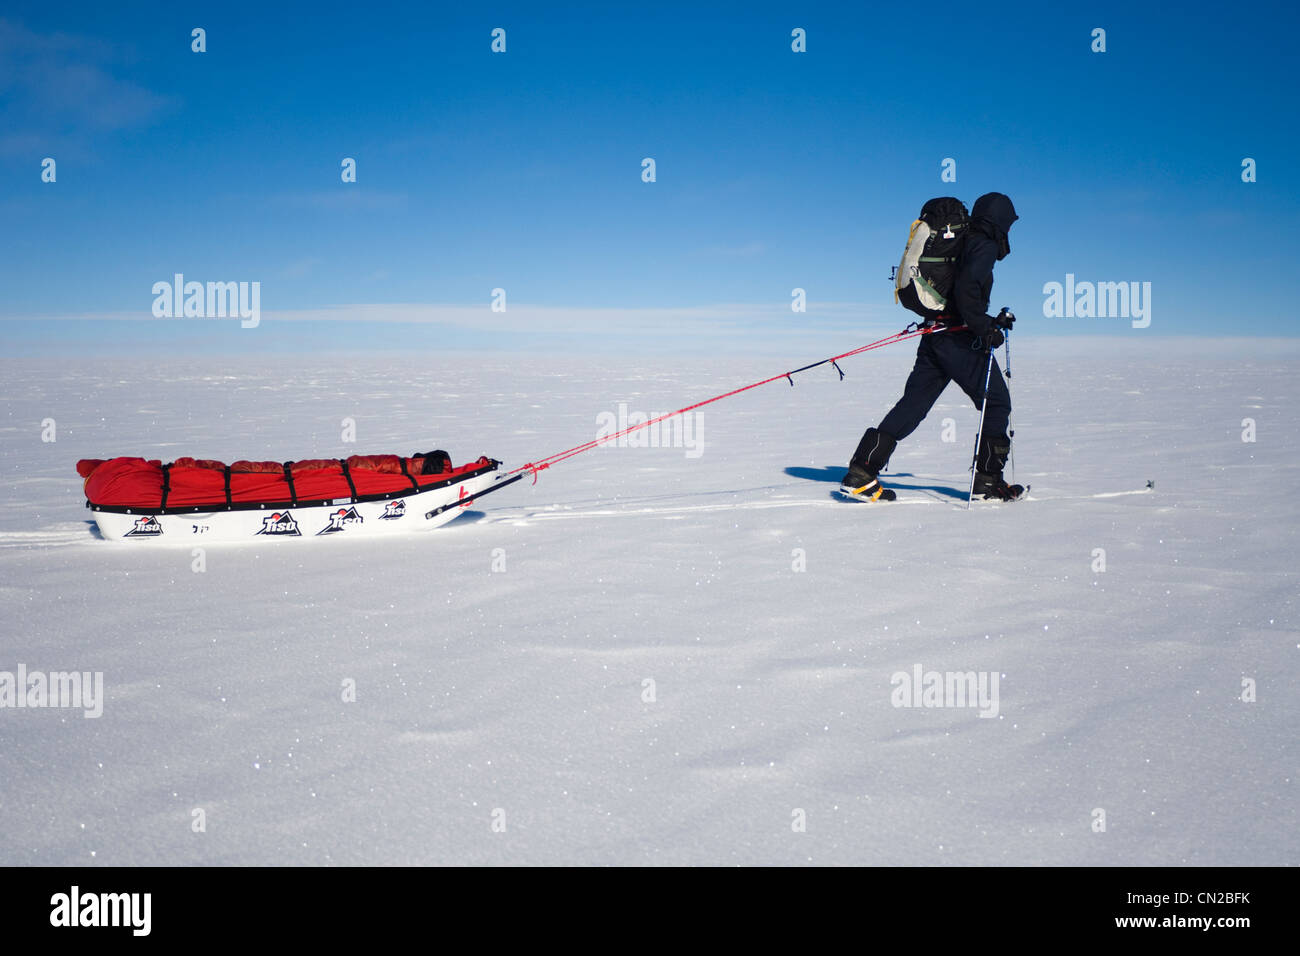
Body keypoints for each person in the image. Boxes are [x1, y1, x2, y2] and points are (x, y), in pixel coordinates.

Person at [841, 192, 1023, 502]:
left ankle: (862, 472)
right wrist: (985, 329)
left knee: (913, 405)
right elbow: (967, 290)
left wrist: (989, 321)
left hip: (936, 334)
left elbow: (958, 293)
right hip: (961, 340)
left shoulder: (964, 240)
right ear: (1000, 220)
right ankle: (988, 483)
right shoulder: (983, 242)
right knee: (996, 404)